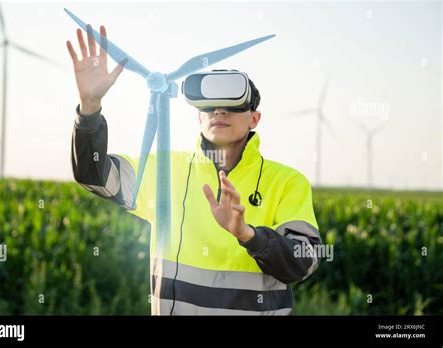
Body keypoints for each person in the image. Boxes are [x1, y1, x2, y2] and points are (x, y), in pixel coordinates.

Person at [67, 25, 321, 315]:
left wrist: (249, 235)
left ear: (255, 118)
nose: (219, 111)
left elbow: (304, 262)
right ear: (198, 117)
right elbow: (92, 174)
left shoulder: (287, 182)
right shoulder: (165, 171)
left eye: (232, 105)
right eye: (209, 105)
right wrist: (90, 107)